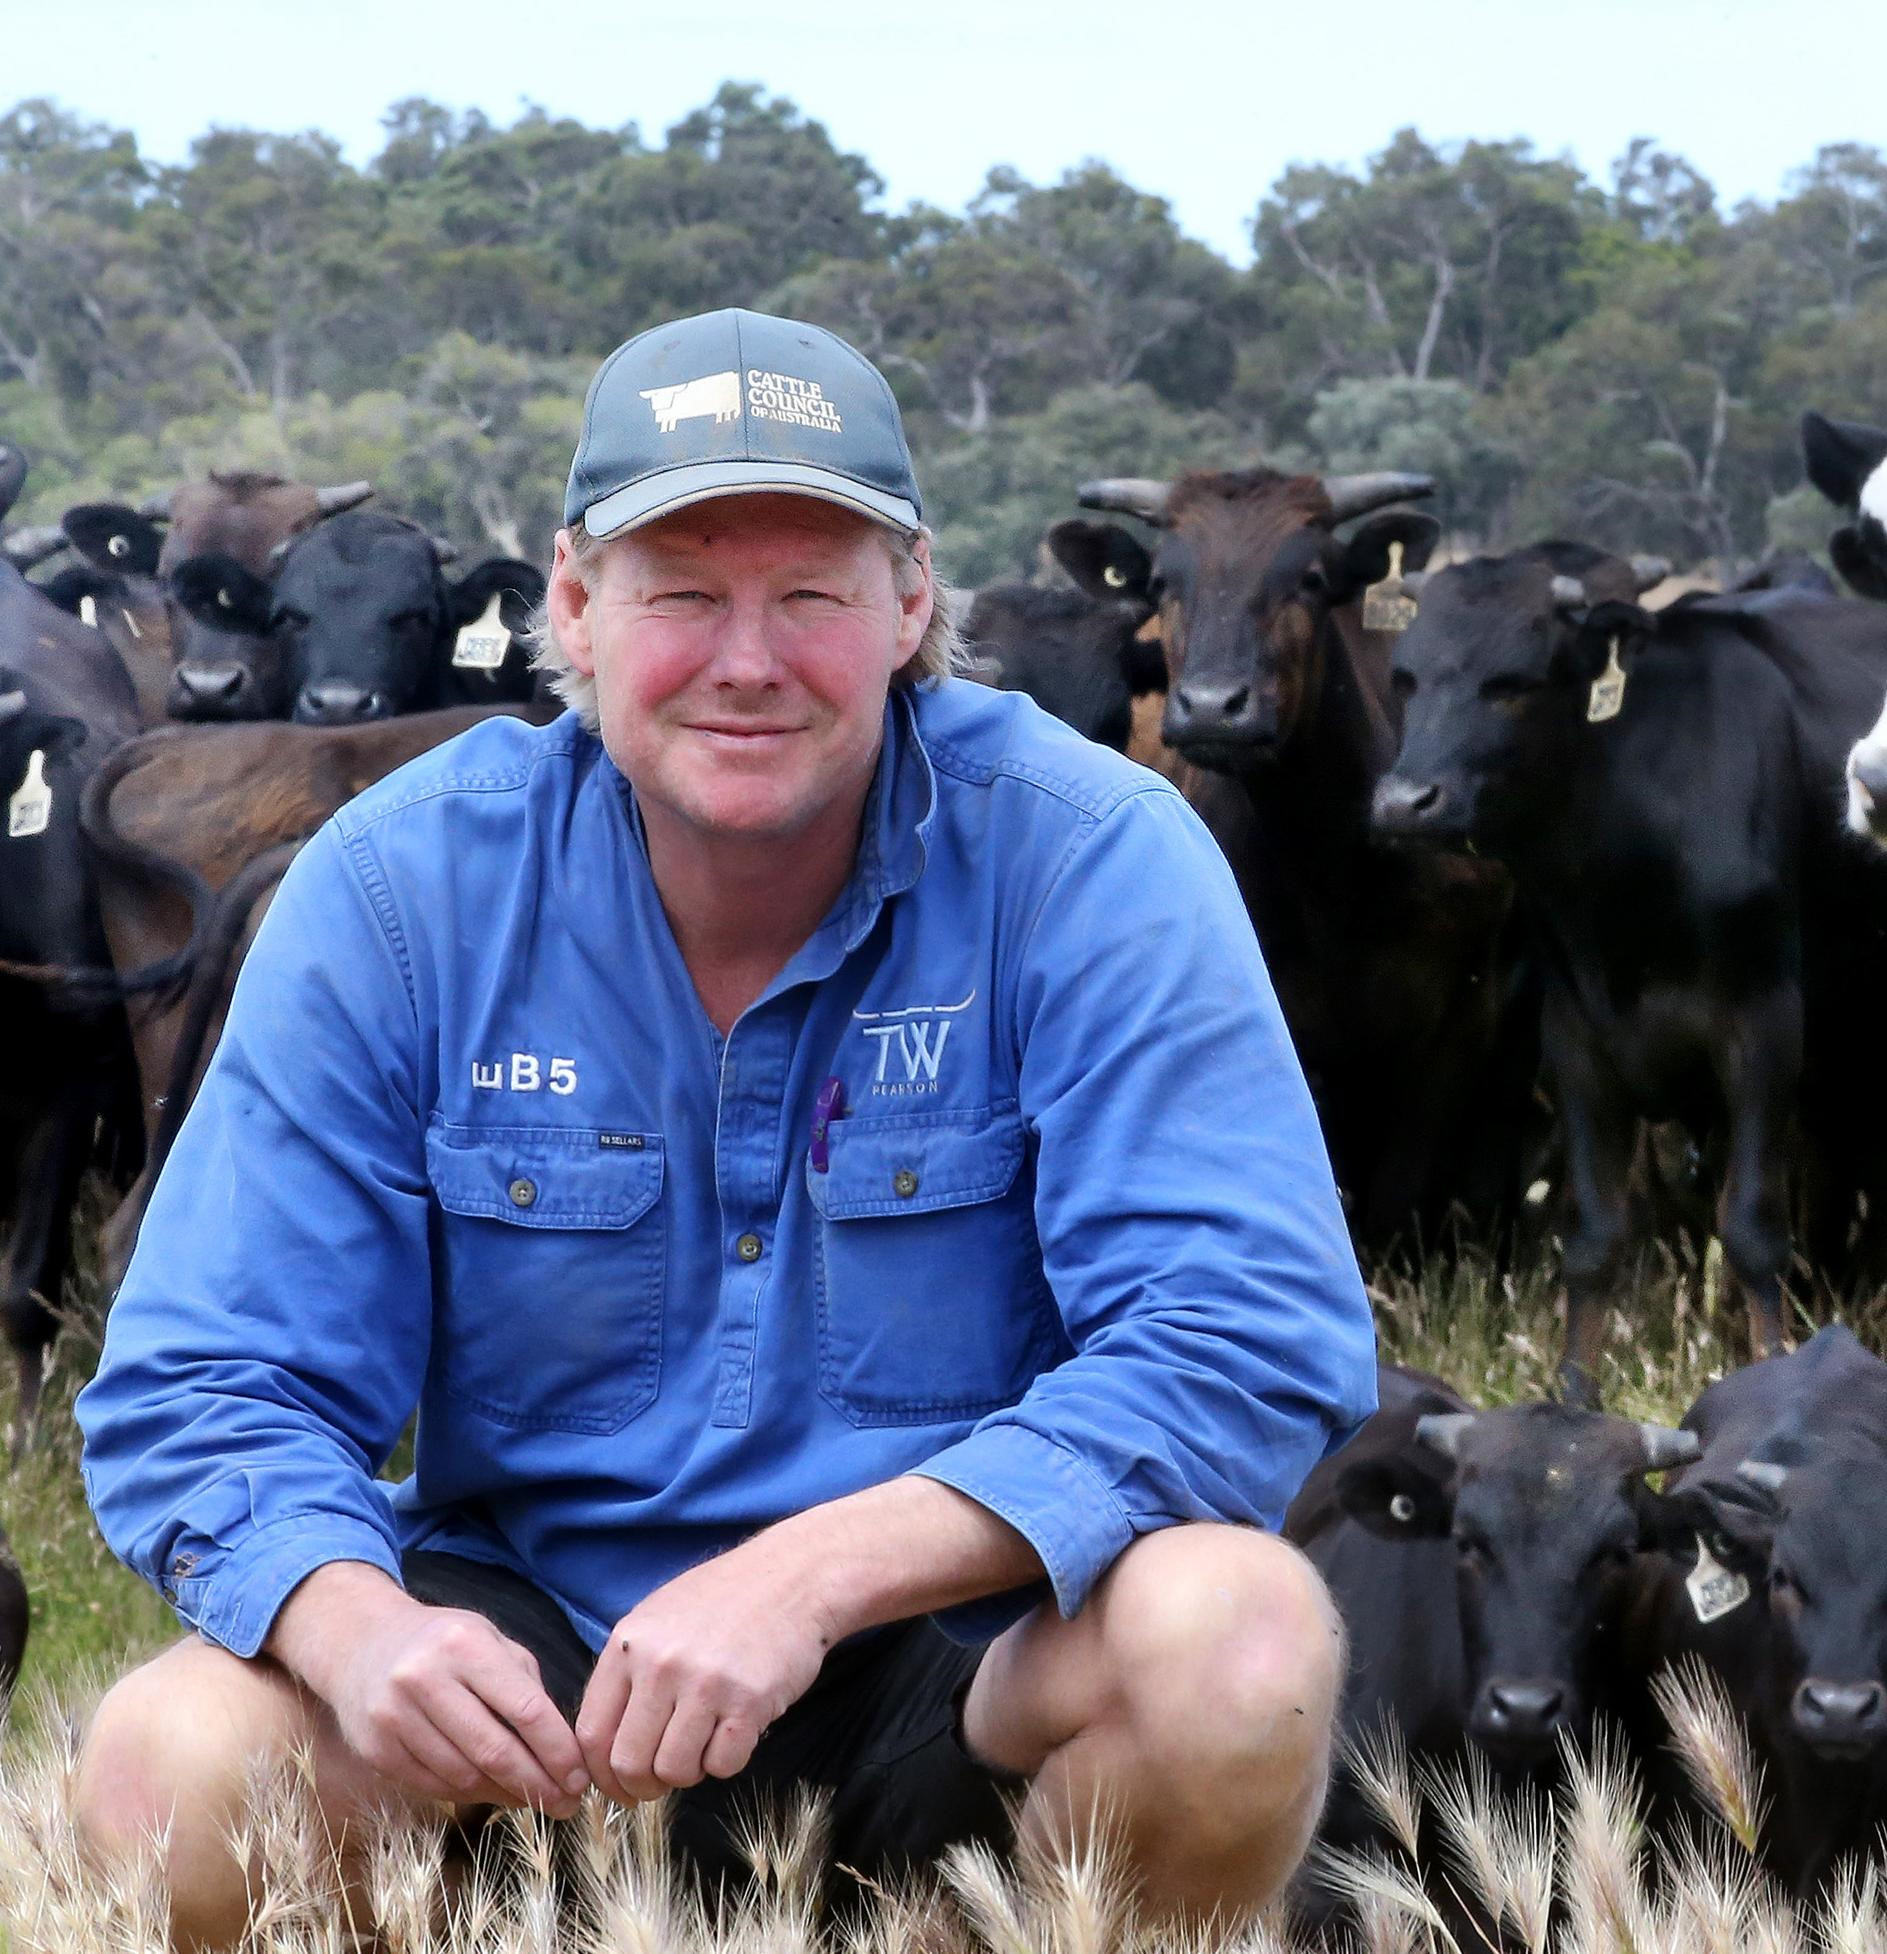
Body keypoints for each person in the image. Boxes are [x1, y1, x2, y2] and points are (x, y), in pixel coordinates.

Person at [70, 309, 1376, 1946]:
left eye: (810, 594)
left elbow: (1245, 1332)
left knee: (1239, 1636)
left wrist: (811, 1574)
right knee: (166, 1757)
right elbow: (204, 1376)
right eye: (681, 592)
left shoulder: (1092, 855)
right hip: (528, 1683)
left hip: (959, 1655)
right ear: (573, 605)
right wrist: (356, 1631)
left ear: (911, 605)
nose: (746, 659)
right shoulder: (403, 890)